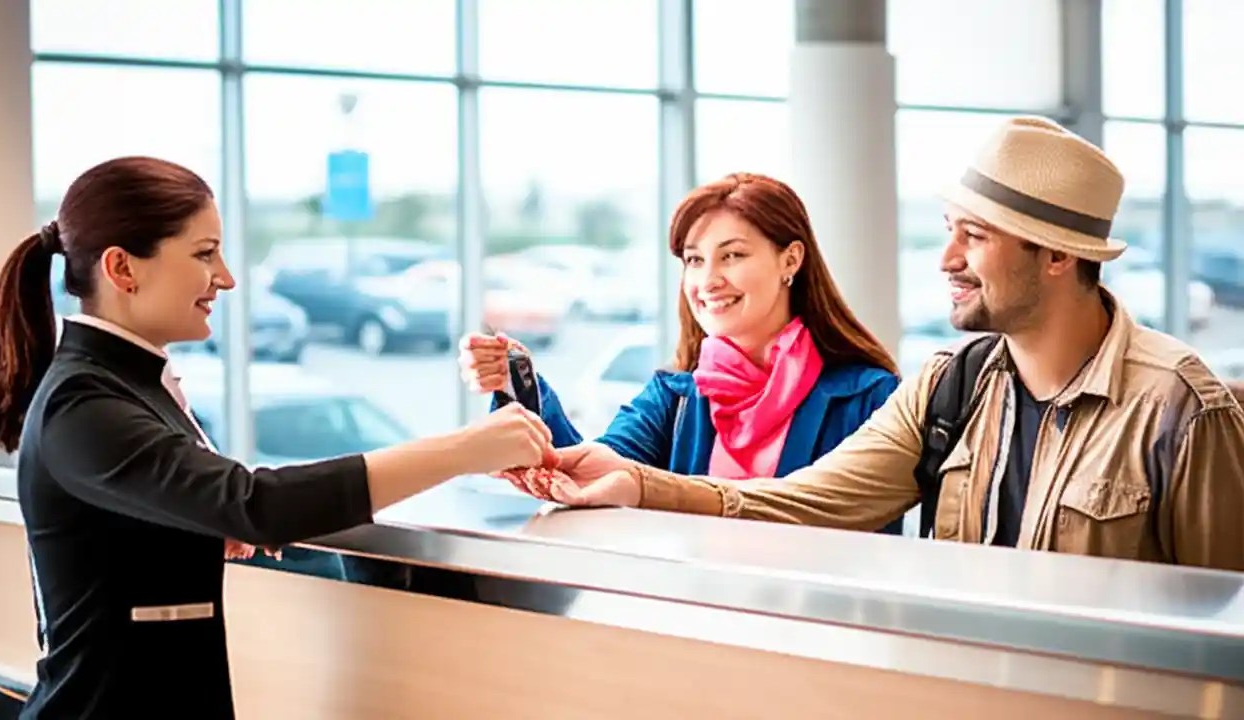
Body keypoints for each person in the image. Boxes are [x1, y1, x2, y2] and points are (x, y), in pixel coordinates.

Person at [0, 156, 557, 719]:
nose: (224, 278)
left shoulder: (122, 384)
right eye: (205, 254)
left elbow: (211, 507)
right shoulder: (85, 403)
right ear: (122, 268)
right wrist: (465, 449)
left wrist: (201, 522)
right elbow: (257, 505)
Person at [526, 117, 1244, 573]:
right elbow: (800, 504)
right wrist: (638, 483)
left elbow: (1225, 628)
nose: (946, 258)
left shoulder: (1181, 409)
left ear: (1056, 256)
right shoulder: (946, 389)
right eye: (948, 228)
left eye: (976, 236)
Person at [459, 172, 906, 533]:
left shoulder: (869, 399)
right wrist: (519, 386)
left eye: (731, 256)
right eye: (694, 260)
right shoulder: (676, 399)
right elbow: (594, 470)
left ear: (790, 260)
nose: (708, 280)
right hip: (693, 624)